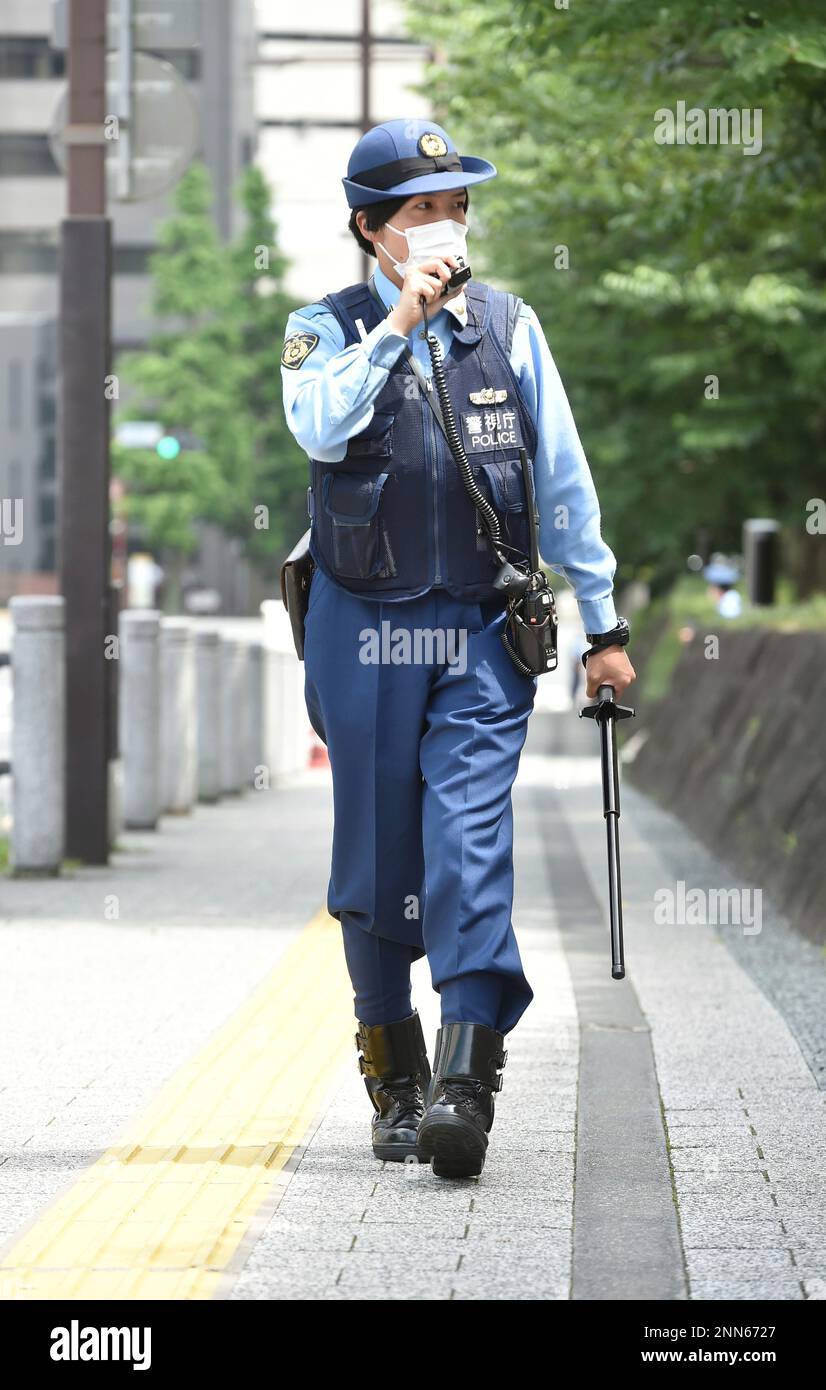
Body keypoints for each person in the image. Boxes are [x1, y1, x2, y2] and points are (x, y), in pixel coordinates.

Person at [280, 118, 635, 1179]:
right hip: (363, 627)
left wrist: (604, 625)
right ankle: (391, 1082)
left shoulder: (511, 327)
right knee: (381, 855)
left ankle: (465, 1082)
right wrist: (397, 322)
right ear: (371, 229)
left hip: (482, 628)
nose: (445, 225)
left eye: (455, 205)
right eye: (421, 211)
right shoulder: (324, 326)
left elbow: (561, 481)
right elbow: (318, 429)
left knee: (471, 844)